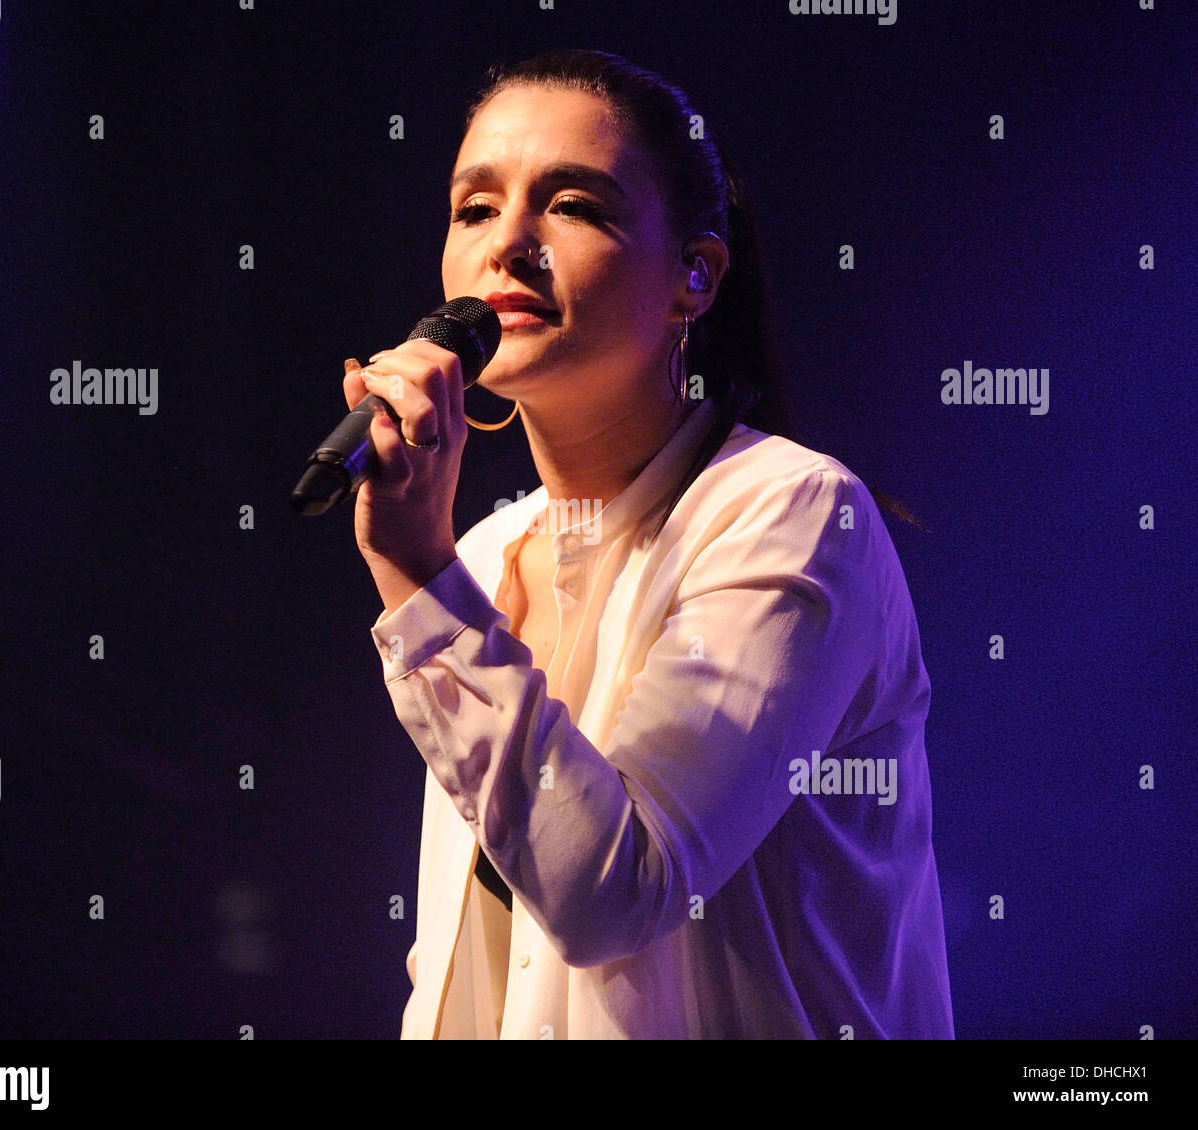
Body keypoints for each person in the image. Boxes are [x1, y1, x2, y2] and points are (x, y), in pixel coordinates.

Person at [345, 48, 954, 1039]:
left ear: (693, 275)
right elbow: (464, 967)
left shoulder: (791, 512)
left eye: (573, 204)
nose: (509, 245)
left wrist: (415, 570)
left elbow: (612, 890)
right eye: (474, 209)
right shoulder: (489, 553)